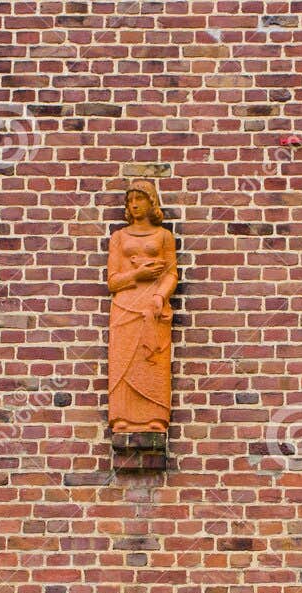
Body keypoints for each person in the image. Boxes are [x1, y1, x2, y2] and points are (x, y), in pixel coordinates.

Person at [106, 179, 177, 433]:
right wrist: (137, 275)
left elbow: (171, 274)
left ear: (151, 202)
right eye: (130, 201)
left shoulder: (164, 236)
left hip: (152, 307)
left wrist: (160, 296)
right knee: (123, 359)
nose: (134, 205)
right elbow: (113, 281)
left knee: (152, 359)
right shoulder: (119, 237)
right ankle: (122, 416)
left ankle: (155, 415)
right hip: (125, 305)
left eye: (139, 199)